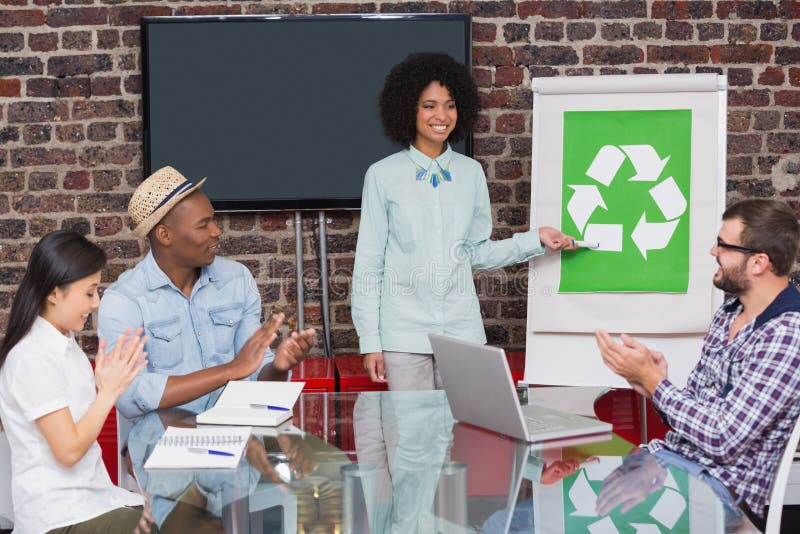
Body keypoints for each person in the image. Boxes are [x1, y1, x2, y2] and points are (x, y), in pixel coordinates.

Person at [352, 52, 576, 390]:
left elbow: (476, 253)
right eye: (429, 105)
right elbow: (369, 265)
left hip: (462, 333)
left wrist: (536, 239)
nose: (441, 116)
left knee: (464, 435)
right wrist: (370, 340)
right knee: (413, 438)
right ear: (407, 108)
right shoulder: (382, 176)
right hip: (403, 337)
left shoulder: (471, 174)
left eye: (450, 105)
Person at [595, 199, 800, 531]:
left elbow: (723, 437)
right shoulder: (728, 314)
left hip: (721, 491)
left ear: (759, 262)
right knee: (520, 518)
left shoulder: (788, 333)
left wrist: (654, 383)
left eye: (723, 244)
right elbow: (697, 413)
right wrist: (656, 383)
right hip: (670, 462)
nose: (712, 251)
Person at [98, 166, 316, 419]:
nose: (216, 231)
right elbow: (129, 395)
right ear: (165, 235)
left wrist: (278, 367)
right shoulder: (124, 301)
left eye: (213, 219)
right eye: (203, 225)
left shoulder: (236, 279)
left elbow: (255, 373)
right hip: (161, 447)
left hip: (235, 438)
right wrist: (230, 370)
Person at [0, 230, 149, 534]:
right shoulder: (32, 357)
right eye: (90, 291)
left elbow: (76, 414)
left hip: (94, 500)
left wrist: (103, 387)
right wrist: (106, 394)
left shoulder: (64, 344)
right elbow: (68, 451)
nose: (96, 303)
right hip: (61, 517)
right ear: (54, 293)